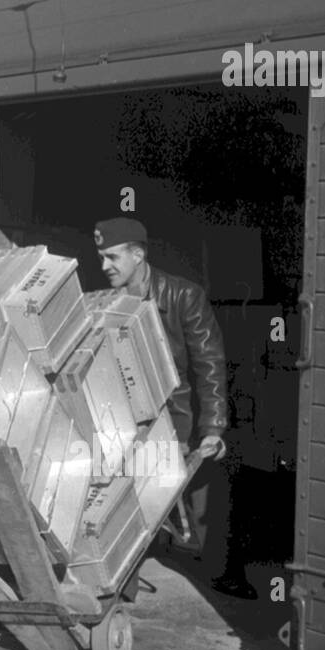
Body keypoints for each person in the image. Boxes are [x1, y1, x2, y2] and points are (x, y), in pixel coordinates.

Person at [93, 215, 254, 600]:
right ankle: (120, 588)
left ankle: (224, 573)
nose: (104, 266)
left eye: (112, 256)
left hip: (182, 419)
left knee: (207, 504)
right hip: (132, 421)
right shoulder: (106, 302)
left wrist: (212, 429)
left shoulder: (184, 296)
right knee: (123, 501)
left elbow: (209, 364)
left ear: (138, 254)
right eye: (100, 257)